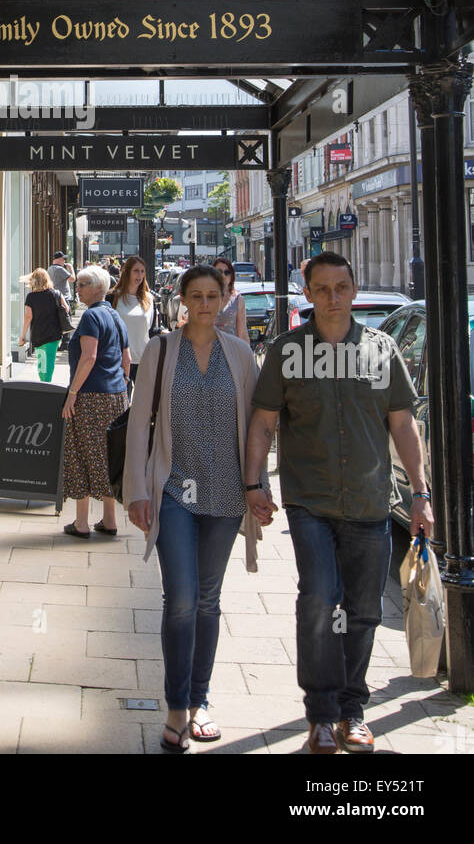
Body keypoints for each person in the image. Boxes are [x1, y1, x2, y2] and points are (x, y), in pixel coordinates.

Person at [245, 251, 433, 756]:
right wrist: (254, 484)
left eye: (341, 287)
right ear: (307, 293)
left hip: (371, 500)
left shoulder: (381, 349)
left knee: (364, 611)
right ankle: (322, 713)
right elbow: (263, 420)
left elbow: (403, 423)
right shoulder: (287, 351)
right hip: (311, 500)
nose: (332, 297)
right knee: (320, 600)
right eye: (322, 288)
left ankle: (353, 709)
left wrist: (420, 493)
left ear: (353, 289)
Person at [124, 265, 268, 752]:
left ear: (226, 298)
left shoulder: (242, 356)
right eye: (197, 296)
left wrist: (258, 485)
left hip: (227, 495)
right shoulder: (161, 351)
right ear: (183, 300)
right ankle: (176, 706)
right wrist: (136, 492)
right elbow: (140, 424)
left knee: (208, 600)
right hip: (174, 493)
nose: (205, 304)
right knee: (181, 598)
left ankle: (201, 700)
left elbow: (257, 430)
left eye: (214, 295)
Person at [61, 265, 131, 539]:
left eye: (82, 284)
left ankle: (81, 523)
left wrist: (72, 393)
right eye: (77, 284)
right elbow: (126, 361)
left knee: (81, 453)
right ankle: (110, 520)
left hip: (91, 396)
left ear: (98, 287)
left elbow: (89, 357)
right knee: (108, 455)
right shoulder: (115, 316)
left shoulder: (91, 317)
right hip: (116, 396)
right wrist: (120, 385)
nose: (77, 289)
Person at [108, 254, 164, 394]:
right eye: (136, 270)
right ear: (127, 272)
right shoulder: (113, 297)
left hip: (143, 360)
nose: (139, 275)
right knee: (122, 408)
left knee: (143, 407)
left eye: (142, 271)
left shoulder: (149, 299)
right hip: (120, 361)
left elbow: (150, 330)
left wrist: (163, 332)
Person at [18, 268, 64, 382]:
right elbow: (66, 309)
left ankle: (45, 385)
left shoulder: (31, 297)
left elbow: (28, 317)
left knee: (42, 360)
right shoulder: (56, 293)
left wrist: (23, 335)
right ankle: (46, 383)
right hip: (54, 334)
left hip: (39, 334)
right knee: (50, 360)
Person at [211, 256, 249, 342]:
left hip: (231, 351)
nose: (223, 275)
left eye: (227, 272)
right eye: (219, 272)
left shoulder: (238, 299)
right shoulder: (205, 297)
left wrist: (246, 353)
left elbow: (242, 333)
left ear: (231, 276)